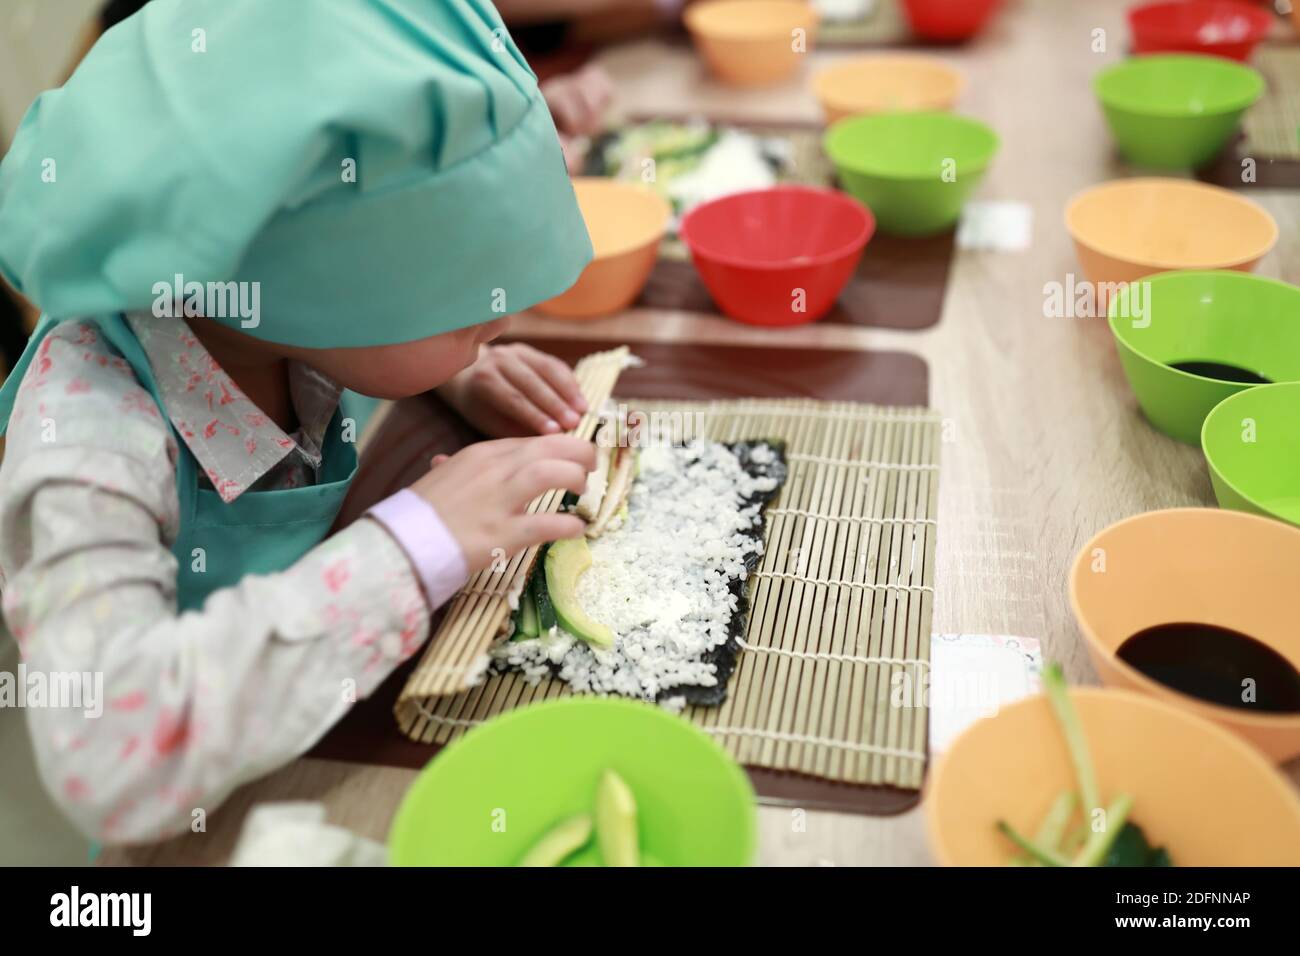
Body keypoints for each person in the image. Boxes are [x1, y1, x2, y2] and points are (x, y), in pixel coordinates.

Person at [0, 0, 598, 844]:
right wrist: (416, 544)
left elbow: (368, 312)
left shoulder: (263, 316)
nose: (503, 314)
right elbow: (111, 755)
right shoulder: (86, 443)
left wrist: (454, 364)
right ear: (300, 285)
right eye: (460, 298)